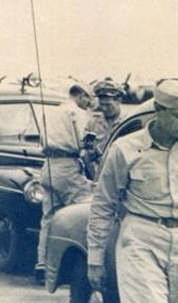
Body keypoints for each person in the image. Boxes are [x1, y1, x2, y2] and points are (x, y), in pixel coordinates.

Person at [87, 79, 178, 301]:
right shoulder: (125, 150)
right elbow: (103, 205)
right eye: (177, 115)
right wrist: (95, 259)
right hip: (142, 238)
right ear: (158, 110)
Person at [34, 82, 94, 283]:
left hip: (48, 165)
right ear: (82, 96)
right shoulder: (77, 113)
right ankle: (85, 262)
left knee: (49, 217)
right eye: (89, 99)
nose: (90, 104)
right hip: (68, 166)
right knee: (85, 212)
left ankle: (42, 264)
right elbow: (84, 146)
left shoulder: (50, 112)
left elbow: (41, 141)